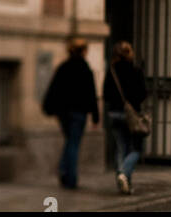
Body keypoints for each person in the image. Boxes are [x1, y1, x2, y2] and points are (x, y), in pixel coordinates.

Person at [41, 37, 99, 189]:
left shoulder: (63, 67)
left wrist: (50, 108)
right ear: (84, 51)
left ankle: (64, 170)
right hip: (79, 113)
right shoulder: (85, 69)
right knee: (73, 143)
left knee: (70, 141)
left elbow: (54, 89)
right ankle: (69, 177)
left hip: (63, 113)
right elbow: (91, 95)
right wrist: (95, 116)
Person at [103, 41, 148, 195]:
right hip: (132, 115)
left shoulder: (112, 71)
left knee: (121, 148)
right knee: (137, 149)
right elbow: (143, 93)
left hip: (114, 113)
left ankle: (123, 183)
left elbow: (105, 93)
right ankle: (124, 173)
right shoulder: (136, 71)